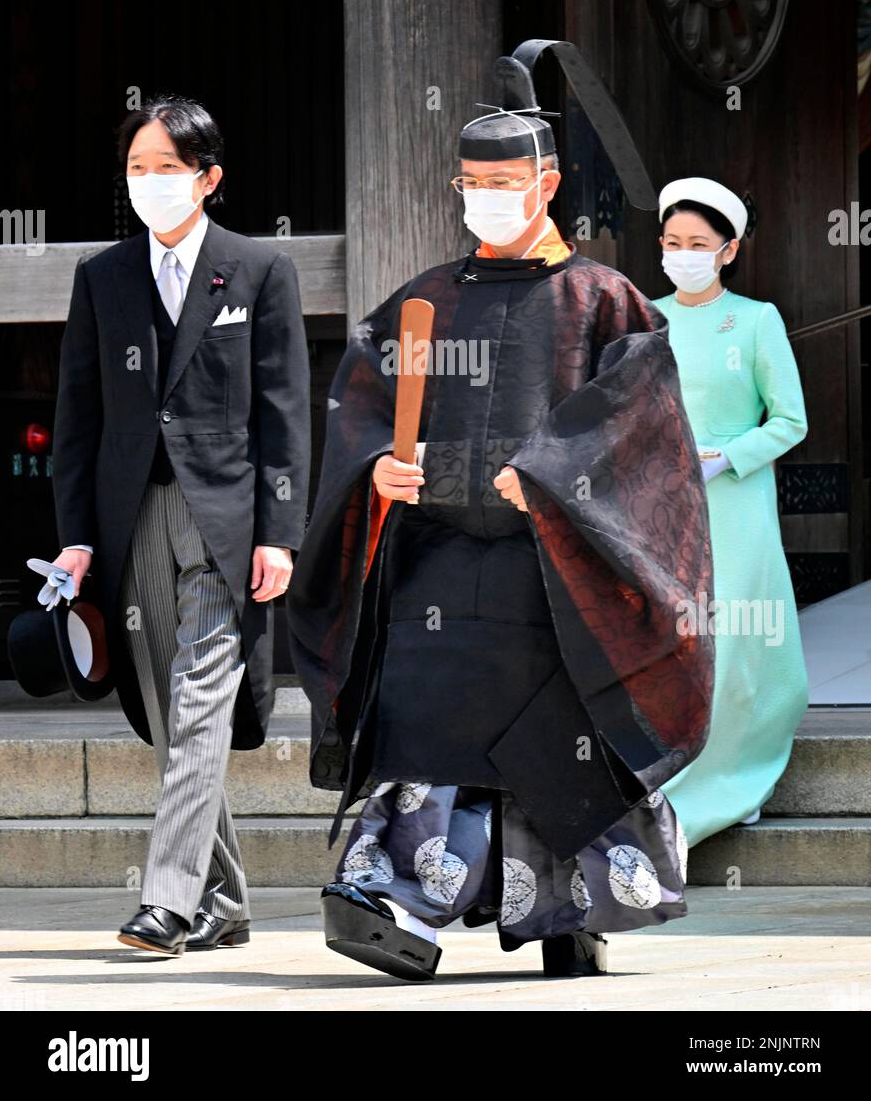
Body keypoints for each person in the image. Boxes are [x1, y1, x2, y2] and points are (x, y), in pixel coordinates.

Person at [286, 81, 715, 982]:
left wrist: (554, 471)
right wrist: (374, 469)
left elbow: (638, 423)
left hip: (550, 570)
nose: (486, 194)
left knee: (552, 732)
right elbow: (361, 410)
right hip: (434, 563)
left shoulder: (603, 298)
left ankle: (570, 917)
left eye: (505, 178)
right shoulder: (422, 299)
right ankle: (395, 903)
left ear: (546, 182)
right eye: (470, 180)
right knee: (427, 714)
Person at [50, 94, 311, 955]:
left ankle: (165, 902)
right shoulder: (102, 277)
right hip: (132, 522)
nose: (150, 182)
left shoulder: (260, 269)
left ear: (209, 178)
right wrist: (77, 535)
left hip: (226, 522)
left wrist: (281, 532)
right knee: (168, 717)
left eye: (167, 166)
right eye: (136, 167)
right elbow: (78, 418)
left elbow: (284, 411)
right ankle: (225, 904)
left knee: (201, 705)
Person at [654, 177, 809, 848]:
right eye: (670, 242)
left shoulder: (754, 319)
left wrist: (727, 457)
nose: (682, 253)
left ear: (727, 250)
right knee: (669, 642)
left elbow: (790, 420)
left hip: (735, 500)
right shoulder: (642, 314)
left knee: (738, 644)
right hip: (660, 499)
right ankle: (665, 782)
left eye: (696, 243)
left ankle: (737, 779)